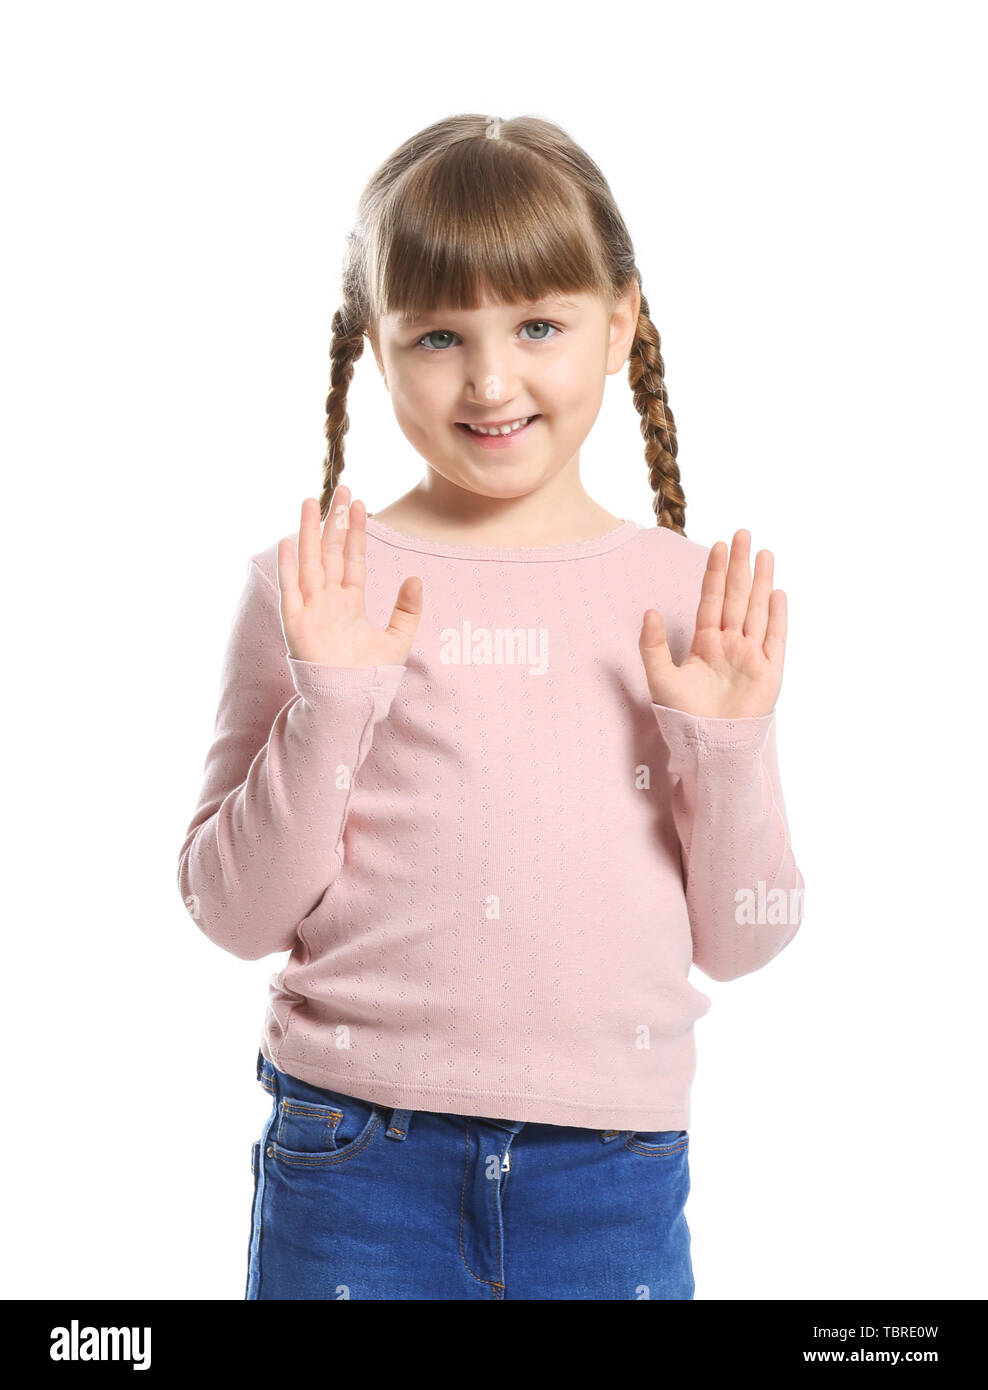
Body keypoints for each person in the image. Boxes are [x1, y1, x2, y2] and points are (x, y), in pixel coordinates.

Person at [177, 112, 805, 1301]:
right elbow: (231, 912)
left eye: (536, 325)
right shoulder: (313, 587)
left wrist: (723, 750)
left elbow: (745, 937)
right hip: (355, 1159)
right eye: (436, 335)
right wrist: (331, 707)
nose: (490, 380)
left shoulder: (691, 601)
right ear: (374, 347)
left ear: (618, 322)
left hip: (611, 1175)